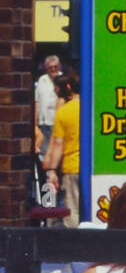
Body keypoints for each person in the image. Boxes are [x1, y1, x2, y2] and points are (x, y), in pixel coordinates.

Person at [42, 70, 80, 227]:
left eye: (57, 88)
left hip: (71, 167)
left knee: (72, 212)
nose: (55, 91)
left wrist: (51, 169)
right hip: (90, 167)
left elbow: (58, 143)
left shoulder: (64, 113)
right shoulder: (90, 107)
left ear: (68, 87)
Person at [34, 54, 61, 155]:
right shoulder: (42, 80)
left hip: (56, 122)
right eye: (50, 67)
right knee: (43, 152)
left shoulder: (63, 79)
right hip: (43, 123)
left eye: (55, 67)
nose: (53, 69)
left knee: (55, 151)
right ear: (46, 68)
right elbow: (37, 101)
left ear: (59, 67)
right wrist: (35, 122)